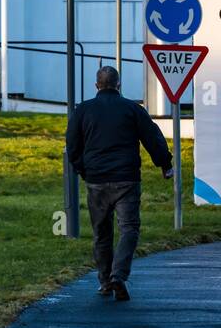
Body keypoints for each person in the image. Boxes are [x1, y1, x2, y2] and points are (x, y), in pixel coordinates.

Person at [65, 66, 172, 301]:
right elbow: (153, 137)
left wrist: (82, 170)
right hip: (127, 180)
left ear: (96, 85)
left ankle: (105, 282)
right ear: (119, 85)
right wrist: (165, 164)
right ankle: (118, 276)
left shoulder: (83, 110)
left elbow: (72, 145)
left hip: (96, 181)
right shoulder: (132, 109)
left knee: (101, 232)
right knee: (129, 229)